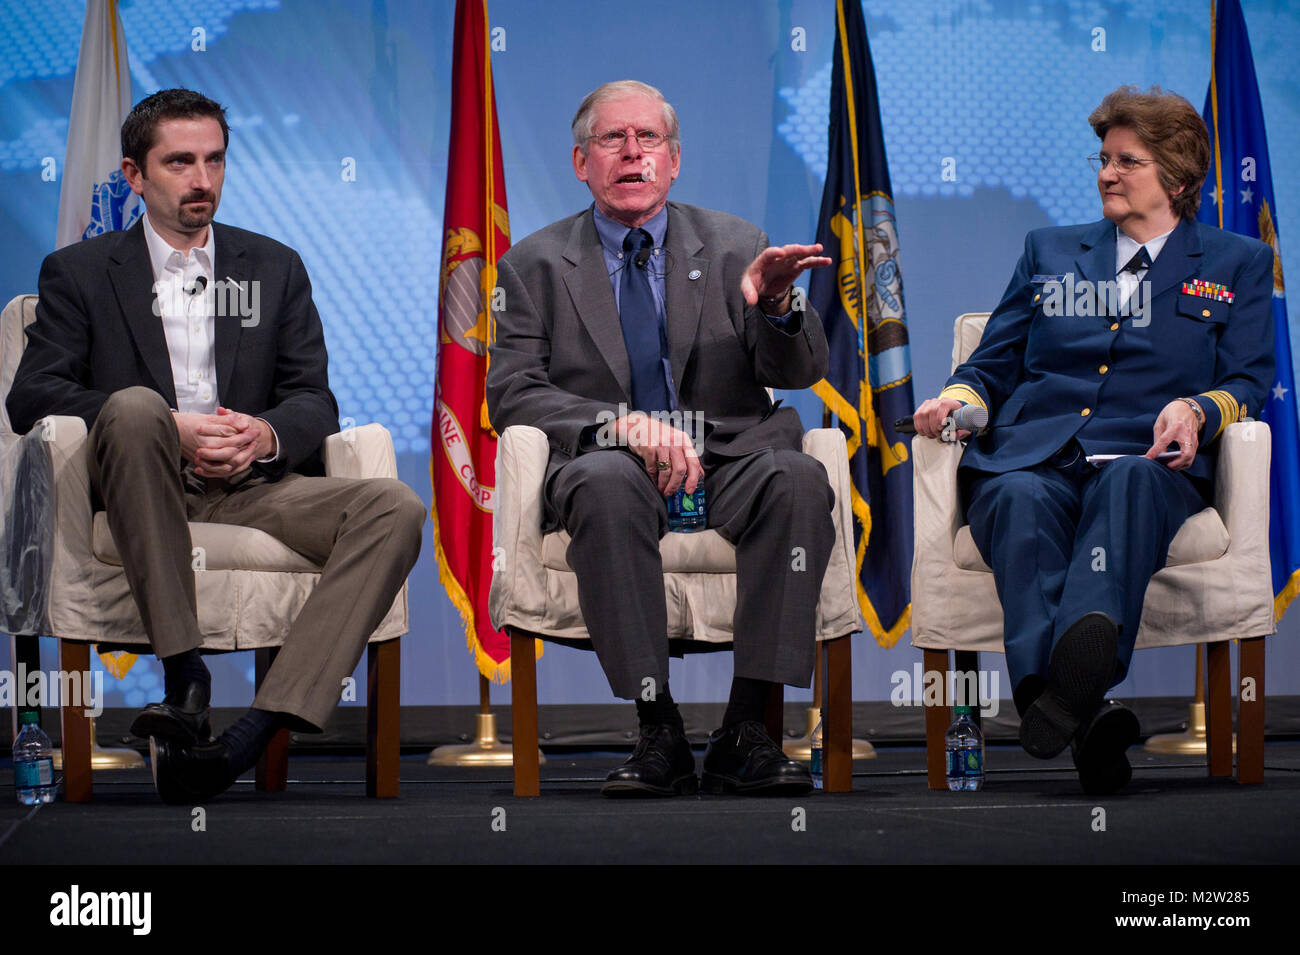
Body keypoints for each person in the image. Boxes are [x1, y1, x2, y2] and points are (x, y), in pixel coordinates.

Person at [6, 89, 426, 804]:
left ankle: (250, 732)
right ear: (135, 175)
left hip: (254, 488)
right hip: (144, 482)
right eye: (179, 162)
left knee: (395, 506)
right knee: (139, 408)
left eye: (214, 160)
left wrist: (263, 435)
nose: (201, 179)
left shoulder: (272, 267)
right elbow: (31, 396)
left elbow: (312, 399)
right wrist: (175, 427)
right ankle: (185, 670)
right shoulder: (79, 272)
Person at [913, 86, 1274, 794]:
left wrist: (1199, 410)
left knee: (1130, 483)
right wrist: (954, 402)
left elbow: (1250, 380)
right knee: (1015, 496)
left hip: (1149, 461)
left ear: (1175, 176)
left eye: (1126, 161)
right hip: (1033, 454)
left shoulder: (1235, 263)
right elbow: (991, 364)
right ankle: (1084, 709)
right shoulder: (1048, 251)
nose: (1106, 173)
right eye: (1102, 159)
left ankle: (1056, 693)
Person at [487, 80, 835, 797]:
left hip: (729, 453)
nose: (633, 152)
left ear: (674, 161)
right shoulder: (534, 264)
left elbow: (797, 370)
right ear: (581, 162)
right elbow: (511, 390)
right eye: (613, 139)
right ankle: (658, 726)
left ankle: (747, 729)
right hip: (610, 460)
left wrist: (776, 304)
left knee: (799, 479)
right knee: (605, 486)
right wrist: (616, 425)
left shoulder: (739, 244)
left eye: (649, 139)